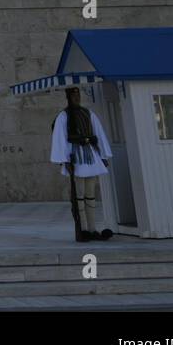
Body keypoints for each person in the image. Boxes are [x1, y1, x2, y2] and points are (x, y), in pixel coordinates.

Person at [50, 86, 114, 242]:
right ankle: (83, 229)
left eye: (78, 94)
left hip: (91, 157)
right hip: (76, 158)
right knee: (79, 197)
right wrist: (64, 160)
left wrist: (103, 155)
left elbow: (98, 133)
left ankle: (92, 229)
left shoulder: (88, 113)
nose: (76, 97)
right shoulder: (63, 116)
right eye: (73, 95)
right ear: (68, 97)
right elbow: (60, 138)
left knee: (90, 195)